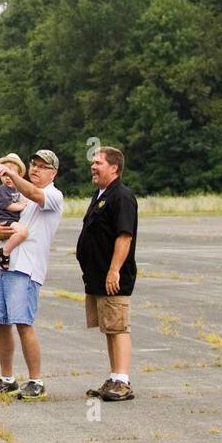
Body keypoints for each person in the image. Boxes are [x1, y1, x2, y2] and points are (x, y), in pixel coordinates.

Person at [0, 150, 64, 401]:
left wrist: (10, 174)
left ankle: (36, 381)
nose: (36, 169)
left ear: (54, 173)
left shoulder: (52, 195)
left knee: (23, 323)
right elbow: (1, 229)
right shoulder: (19, 194)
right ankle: (7, 380)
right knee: (1, 322)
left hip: (26, 268)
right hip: (6, 266)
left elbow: (33, 193)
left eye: (43, 166)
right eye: (33, 164)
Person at [76, 146, 138, 402]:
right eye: (93, 161)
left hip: (113, 277)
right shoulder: (101, 195)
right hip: (98, 277)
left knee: (119, 327)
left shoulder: (121, 196)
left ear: (114, 168)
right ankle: (114, 378)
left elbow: (124, 236)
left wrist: (114, 270)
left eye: (98, 162)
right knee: (109, 328)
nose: (93, 166)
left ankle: (123, 382)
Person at [0, 153, 28, 269]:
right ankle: (5, 252)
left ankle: (6, 251)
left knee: (20, 232)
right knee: (22, 232)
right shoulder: (2, 190)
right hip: (3, 219)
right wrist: (22, 205)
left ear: (18, 175)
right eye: (4, 174)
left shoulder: (18, 189)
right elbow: (9, 206)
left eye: (10, 174)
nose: (7, 177)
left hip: (11, 219)